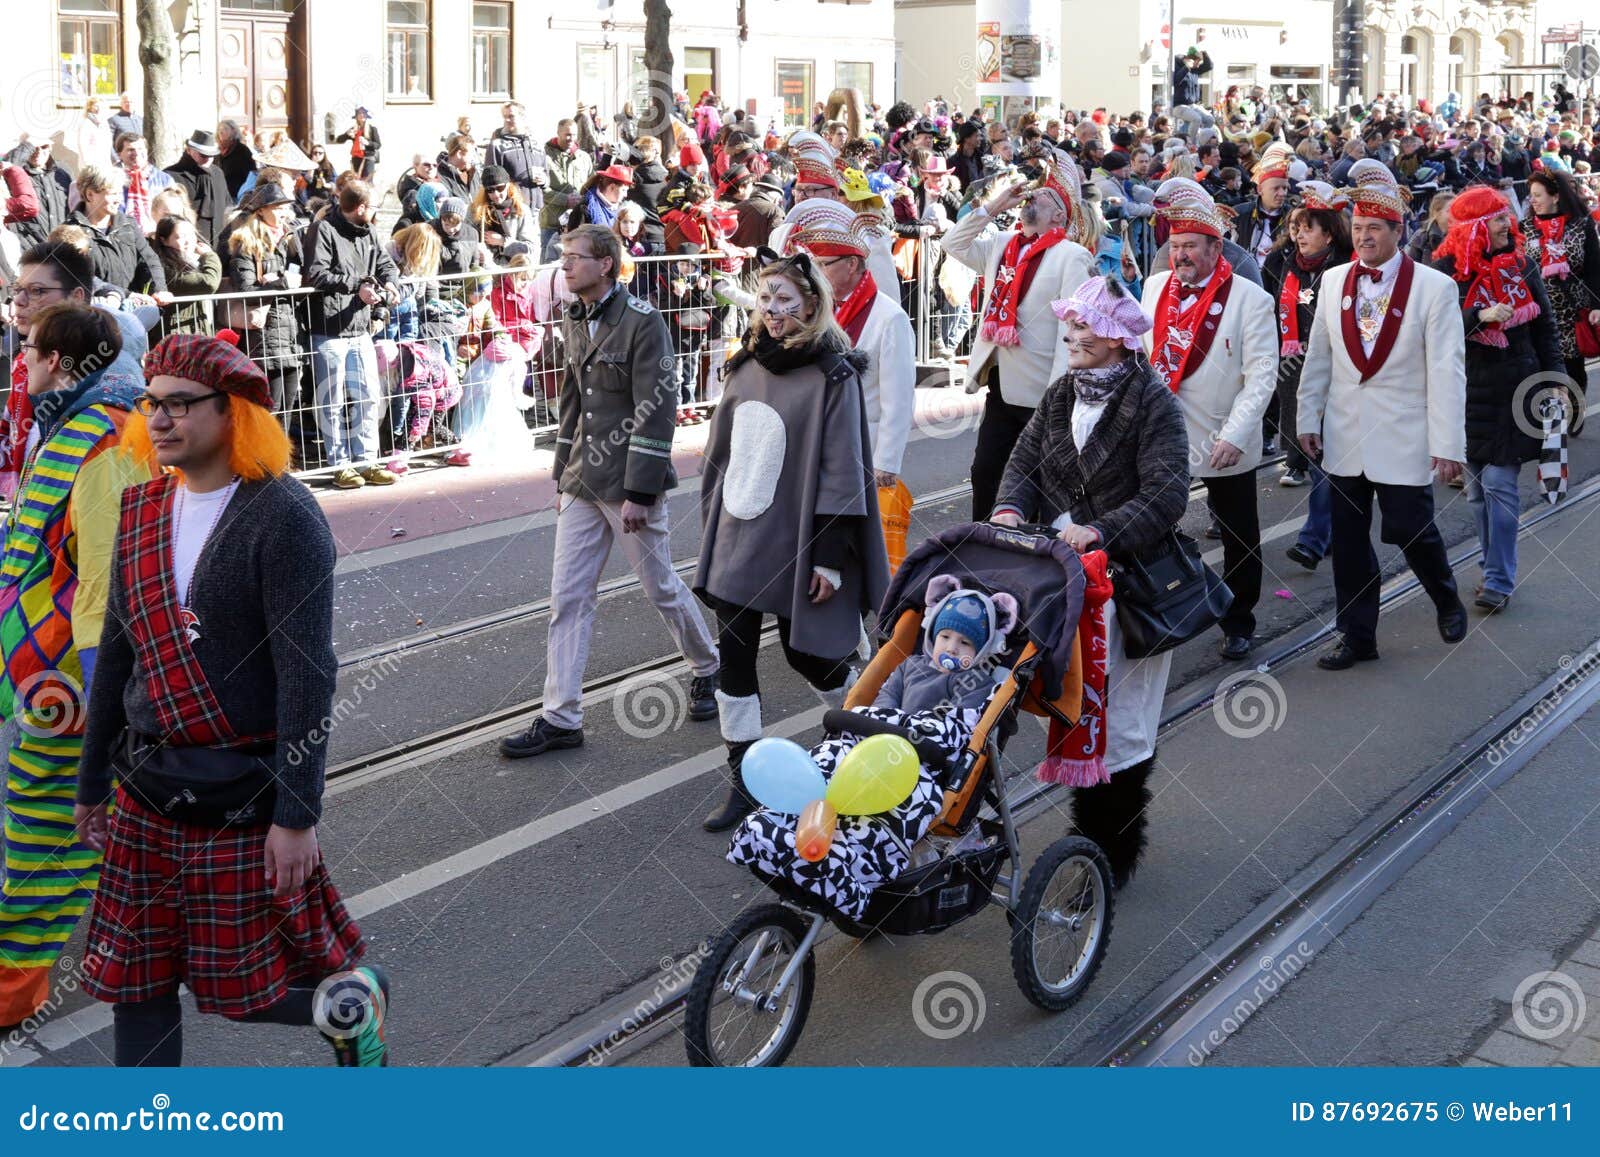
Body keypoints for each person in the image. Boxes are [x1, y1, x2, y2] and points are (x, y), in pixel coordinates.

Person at [73, 334, 389, 1067]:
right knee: (137, 983)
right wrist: (92, 785)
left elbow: (308, 676)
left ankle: (357, 1002)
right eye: (152, 402)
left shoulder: (284, 516)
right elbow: (118, 655)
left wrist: (296, 815)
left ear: (234, 413)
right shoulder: (142, 507)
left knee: (244, 988)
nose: (159, 418)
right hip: (147, 792)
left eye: (180, 404)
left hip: (240, 796)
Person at [991, 275, 1190, 887]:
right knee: (1063, 704)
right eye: (1071, 324)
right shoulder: (1060, 393)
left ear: (1116, 340)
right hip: (1062, 582)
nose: (1072, 335)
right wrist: (1006, 507)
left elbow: (1167, 492)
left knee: (1123, 722)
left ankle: (1110, 851)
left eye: (1084, 327)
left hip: (1125, 588)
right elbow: (1024, 462)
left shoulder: (1153, 401)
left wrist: (1101, 529)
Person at [500, 224, 719, 760]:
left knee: (660, 586)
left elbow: (657, 409)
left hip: (628, 484)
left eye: (574, 258)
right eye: (563, 257)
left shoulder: (642, 323)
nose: (565, 266)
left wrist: (641, 493)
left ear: (606, 265)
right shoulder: (575, 317)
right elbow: (575, 403)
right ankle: (561, 716)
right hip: (581, 479)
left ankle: (708, 665)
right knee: (568, 598)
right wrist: (561, 474)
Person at [693, 250, 888, 832]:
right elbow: (722, 450)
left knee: (807, 653)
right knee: (734, 653)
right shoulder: (745, 363)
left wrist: (829, 558)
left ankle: (866, 729)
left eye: (786, 301)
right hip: (740, 528)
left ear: (811, 305)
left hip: (800, 536)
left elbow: (840, 465)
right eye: (766, 299)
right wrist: (713, 522)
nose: (774, 312)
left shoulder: (834, 373)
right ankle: (745, 780)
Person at [0, 303, 149, 1025]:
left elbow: (104, 584)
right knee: (89, 824)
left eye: (26, 349)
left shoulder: (100, 438)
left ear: (58, 361)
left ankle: (14, 988)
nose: (20, 362)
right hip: (57, 669)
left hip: (68, 676)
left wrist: (104, 696)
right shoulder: (77, 424)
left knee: (40, 821)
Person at [1297, 159, 1469, 669]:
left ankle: (1444, 595)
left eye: (1375, 228)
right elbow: (1319, 358)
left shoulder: (1434, 288)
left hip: (1405, 433)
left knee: (1412, 531)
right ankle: (1357, 637)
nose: (1365, 237)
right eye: (1358, 228)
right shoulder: (1332, 282)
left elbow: (1447, 371)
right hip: (1346, 433)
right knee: (1349, 545)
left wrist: (1448, 445)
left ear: (1398, 231)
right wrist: (1307, 418)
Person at [1140, 178, 1276, 660]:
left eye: (1191, 246)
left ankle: (1239, 620)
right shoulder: (1155, 286)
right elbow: (1140, 354)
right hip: (1161, 436)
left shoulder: (1251, 299)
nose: (1180, 256)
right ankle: (1157, 610)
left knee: (1239, 530)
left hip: (1222, 435)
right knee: (1151, 528)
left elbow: (1261, 376)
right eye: (1175, 246)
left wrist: (1237, 435)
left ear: (1216, 247)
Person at [1432, 187, 1564, 613]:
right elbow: (1429, 331)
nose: (1509, 224)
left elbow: (1545, 326)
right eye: (1497, 219)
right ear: (1473, 227)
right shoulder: (1443, 271)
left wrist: (1557, 378)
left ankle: (1499, 579)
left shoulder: (1524, 265)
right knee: (1475, 494)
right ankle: (1491, 564)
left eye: (1507, 216)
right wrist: (1478, 316)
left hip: (1515, 388)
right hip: (1464, 392)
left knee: (1499, 486)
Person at [942, 158, 1096, 520]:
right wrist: (993, 206)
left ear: (1059, 216)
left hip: (1042, 394)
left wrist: (1060, 396)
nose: (1031, 197)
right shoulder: (1002, 243)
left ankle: (1039, 556)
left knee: (1040, 484)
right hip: (1002, 387)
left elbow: (1072, 332)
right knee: (986, 473)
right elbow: (953, 242)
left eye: (1043, 197)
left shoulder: (1071, 256)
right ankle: (984, 542)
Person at [788, 199, 916, 489]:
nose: (816, 274)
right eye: (814, 265)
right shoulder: (818, 309)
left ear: (852, 264)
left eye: (823, 265)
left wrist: (887, 461)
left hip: (863, 446)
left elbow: (898, 399)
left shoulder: (890, 317)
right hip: (816, 443)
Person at [1260, 185, 1352, 571]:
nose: (1298, 234)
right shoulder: (1279, 262)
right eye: (1296, 226)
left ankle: (1312, 539)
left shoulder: (1346, 267)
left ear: (1329, 233)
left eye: (1308, 228)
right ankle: (1329, 534)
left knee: (1323, 457)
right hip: (1291, 370)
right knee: (1313, 452)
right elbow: (1265, 311)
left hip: (1337, 373)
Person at [303, 180, 401, 489]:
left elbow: (386, 264)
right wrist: (357, 283)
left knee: (369, 396)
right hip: (328, 329)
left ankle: (367, 460)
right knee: (331, 400)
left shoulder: (369, 232)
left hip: (360, 327)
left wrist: (390, 283)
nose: (374, 213)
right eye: (372, 207)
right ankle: (340, 464)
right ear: (360, 208)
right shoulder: (324, 230)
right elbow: (317, 274)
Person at [1523, 169, 1600, 429]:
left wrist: (1596, 304)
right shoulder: (1525, 228)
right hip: (1537, 310)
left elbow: (1594, 266)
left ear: (1555, 196)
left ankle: (1576, 406)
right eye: (1530, 195)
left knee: (1572, 366)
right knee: (1543, 364)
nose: (1532, 200)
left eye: (1538, 195)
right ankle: (1550, 412)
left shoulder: (1581, 224)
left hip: (1572, 309)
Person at [872, 581, 1019, 715]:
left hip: (928, 739)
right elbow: (889, 694)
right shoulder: (910, 665)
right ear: (933, 637)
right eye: (945, 637)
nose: (951, 648)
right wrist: (886, 719)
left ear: (980, 652)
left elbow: (954, 718)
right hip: (889, 733)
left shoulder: (976, 682)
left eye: (965, 643)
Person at [226, 183, 304, 415]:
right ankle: (265, 452)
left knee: (289, 406)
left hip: (291, 331)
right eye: (277, 207)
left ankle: (282, 452)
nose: (283, 213)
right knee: (271, 407)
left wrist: (280, 279)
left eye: (285, 208)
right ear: (260, 210)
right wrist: (281, 283)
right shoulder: (246, 242)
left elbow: (300, 273)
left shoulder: (290, 237)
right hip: (265, 334)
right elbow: (247, 291)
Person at [67, 166, 168, 296]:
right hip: (96, 312)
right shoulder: (71, 232)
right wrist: (124, 295)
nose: (118, 200)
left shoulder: (128, 224)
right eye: (113, 194)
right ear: (90, 194)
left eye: (119, 193)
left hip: (135, 309)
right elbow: (82, 277)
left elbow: (149, 260)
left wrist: (158, 290)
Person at [152, 214, 222, 335]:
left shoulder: (193, 260)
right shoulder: (164, 267)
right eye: (181, 237)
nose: (189, 241)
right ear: (164, 240)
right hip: (177, 333)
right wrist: (209, 255)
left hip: (197, 331)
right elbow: (209, 283)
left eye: (191, 235)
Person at [165, 129, 232, 247]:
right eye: (203, 155)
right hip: (185, 247)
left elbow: (227, 207)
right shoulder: (171, 176)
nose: (208, 159)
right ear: (189, 150)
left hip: (219, 246)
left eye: (212, 155)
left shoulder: (218, 173)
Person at [484, 102, 548, 222]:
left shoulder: (537, 145)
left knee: (532, 241)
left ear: (522, 117)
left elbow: (547, 176)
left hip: (536, 212)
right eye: (505, 117)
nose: (507, 120)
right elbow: (489, 181)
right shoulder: (497, 146)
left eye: (511, 116)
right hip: (511, 212)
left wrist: (544, 180)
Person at [1232, 144, 1294, 265]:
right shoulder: (1238, 214)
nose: (1282, 193)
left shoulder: (1292, 215)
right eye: (1276, 188)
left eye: (1285, 188)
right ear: (1260, 189)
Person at [541, 119, 593, 259]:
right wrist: (565, 200)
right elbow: (540, 190)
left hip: (578, 223)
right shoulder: (543, 157)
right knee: (548, 268)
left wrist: (583, 200)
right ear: (558, 133)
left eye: (574, 135)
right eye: (567, 134)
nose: (571, 139)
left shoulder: (584, 158)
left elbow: (591, 186)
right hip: (551, 223)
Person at [8, 140, 68, 249]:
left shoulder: (63, 172)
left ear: (51, 146)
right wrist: (29, 143)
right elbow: (7, 166)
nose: (38, 151)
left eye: (43, 146)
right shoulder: (17, 172)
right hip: (30, 250)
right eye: (34, 147)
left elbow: (76, 209)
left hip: (61, 251)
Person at [469, 165, 535, 262]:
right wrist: (476, 252)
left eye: (500, 188)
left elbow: (530, 249)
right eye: (490, 190)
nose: (495, 194)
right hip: (486, 269)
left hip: (513, 269)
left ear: (508, 185)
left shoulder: (521, 210)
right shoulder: (476, 210)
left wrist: (503, 242)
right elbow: (466, 240)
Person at [111, 135, 172, 235]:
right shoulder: (112, 179)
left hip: (157, 235)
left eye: (140, 149)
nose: (136, 153)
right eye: (130, 150)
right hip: (123, 235)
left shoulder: (164, 179)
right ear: (119, 154)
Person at [215, 118, 256, 201]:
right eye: (219, 129)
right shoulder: (217, 151)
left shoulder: (242, 151)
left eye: (225, 129)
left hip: (237, 196)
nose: (221, 132)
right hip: (219, 195)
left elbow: (251, 175)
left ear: (233, 131)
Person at [336, 106, 381, 181]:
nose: (361, 115)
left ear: (366, 116)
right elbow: (339, 140)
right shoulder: (354, 129)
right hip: (356, 159)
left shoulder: (372, 129)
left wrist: (368, 143)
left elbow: (378, 145)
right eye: (359, 113)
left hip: (368, 159)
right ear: (356, 117)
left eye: (363, 113)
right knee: (357, 182)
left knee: (367, 182)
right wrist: (347, 134)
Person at [76, 97, 113, 170]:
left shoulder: (104, 123)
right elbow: (83, 144)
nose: (98, 108)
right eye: (96, 106)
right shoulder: (85, 123)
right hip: (90, 165)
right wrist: (88, 164)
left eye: (101, 106)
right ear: (89, 107)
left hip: (104, 163)